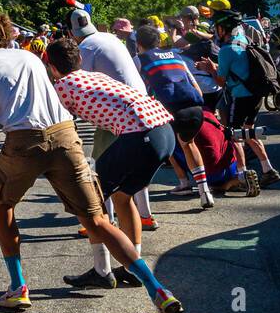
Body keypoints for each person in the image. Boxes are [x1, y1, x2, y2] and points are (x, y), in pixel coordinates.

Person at [0, 10, 182, 313]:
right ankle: (158, 290)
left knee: (2, 203)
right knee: (98, 220)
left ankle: (18, 286)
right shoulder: (30, 58)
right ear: (4, 33)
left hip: (23, 141)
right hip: (65, 136)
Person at [42, 36, 182, 296]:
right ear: (80, 59)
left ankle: (102, 271)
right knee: (122, 195)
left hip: (140, 136)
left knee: (90, 202)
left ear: (50, 65)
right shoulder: (94, 76)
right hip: (164, 131)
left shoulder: (62, 87)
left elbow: (55, 126)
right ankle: (129, 269)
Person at [70, 6, 159, 232]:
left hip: (119, 110)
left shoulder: (86, 48)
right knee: (135, 168)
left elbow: (78, 82)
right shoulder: (109, 37)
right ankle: (146, 216)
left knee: (99, 167)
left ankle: (106, 219)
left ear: (71, 33)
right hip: (141, 102)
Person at [134, 24, 215, 208]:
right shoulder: (176, 55)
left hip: (169, 109)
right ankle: (205, 192)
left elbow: (134, 85)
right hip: (194, 108)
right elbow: (195, 86)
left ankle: (183, 183)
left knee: (167, 147)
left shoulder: (140, 59)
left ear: (138, 43)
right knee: (189, 144)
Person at [201, 11, 280, 186]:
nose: (216, 32)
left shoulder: (226, 50)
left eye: (217, 28)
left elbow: (221, 82)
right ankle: (268, 169)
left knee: (233, 134)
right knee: (248, 131)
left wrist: (210, 69)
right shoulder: (243, 41)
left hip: (240, 96)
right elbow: (238, 68)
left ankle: (242, 175)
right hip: (255, 94)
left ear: (223, 28)